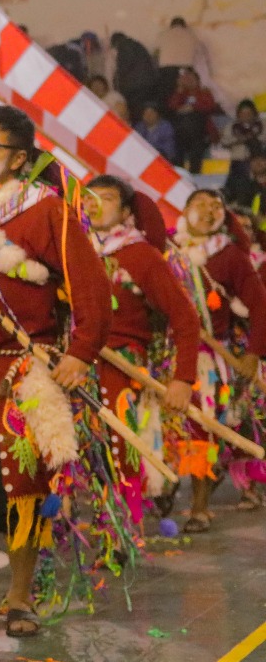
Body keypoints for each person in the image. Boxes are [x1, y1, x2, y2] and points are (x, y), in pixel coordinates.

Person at [0, 106, 114, 639]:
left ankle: (18, 594)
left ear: (21, 157)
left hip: (20, 368)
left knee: (22, 487)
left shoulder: (47, 211)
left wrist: (80, 352)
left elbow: (91, 288)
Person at [84, 177, 199, 521]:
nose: (95, 204)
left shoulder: (141, 255)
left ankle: (126, 533)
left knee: (122, 449)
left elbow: (185, 317)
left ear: (125, 212)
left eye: (106, 198)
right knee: (88, 452)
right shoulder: (72, 247)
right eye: (89, 198)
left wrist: (184, 379)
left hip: (123, 365)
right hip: (78, 364)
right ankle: (105, 527)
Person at [170, 189, 266, 531]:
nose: (209, 212)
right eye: (200, 205)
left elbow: (259, 305)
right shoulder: (167, 250)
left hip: (206, 360)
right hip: (163, 354)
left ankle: (199, 506)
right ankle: (161, 490)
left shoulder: (230, 256)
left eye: (216, 207)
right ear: (184, 210)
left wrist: (253, 354)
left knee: (201, 427)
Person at [167, 68, 220, 174]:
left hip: (200, 132)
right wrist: (179, 91)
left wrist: (193, 107)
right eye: (186, 79)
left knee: (196, 145)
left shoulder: (204, 92)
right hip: (183, 133)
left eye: (191, 78)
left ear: (197, 80)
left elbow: (210, 105)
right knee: (177, 145)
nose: (189, 81)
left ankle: (194, 175)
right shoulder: (182, 94)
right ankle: (179, 174)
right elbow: (172, 106)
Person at [156, 17, 206, 104]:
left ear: (171, 25)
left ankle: (167, 114)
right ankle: (187, 110)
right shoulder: (191, 35)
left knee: (167, 97)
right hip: (185, 70)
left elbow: (156, 51)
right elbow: (198, 53)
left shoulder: (163, 34)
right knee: (186, 97)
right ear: (184, 26)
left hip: (166, 70)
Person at [111, 32, 159, 118]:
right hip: (148, 84)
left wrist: (117, 84)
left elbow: (123, 67)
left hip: (134, 87)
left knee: (136, 113)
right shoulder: (137, 45)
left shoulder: (123, 46)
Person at [224, 101, 264, 190]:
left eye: (249, 113)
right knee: (239, 172)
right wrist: (241, 140)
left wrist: (253, 137)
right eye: (243, 113)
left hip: (260, 159)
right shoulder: (232, 127)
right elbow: (225, 142)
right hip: (240, 159)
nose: (246, 115)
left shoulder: (263, 124)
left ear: (254, 113)